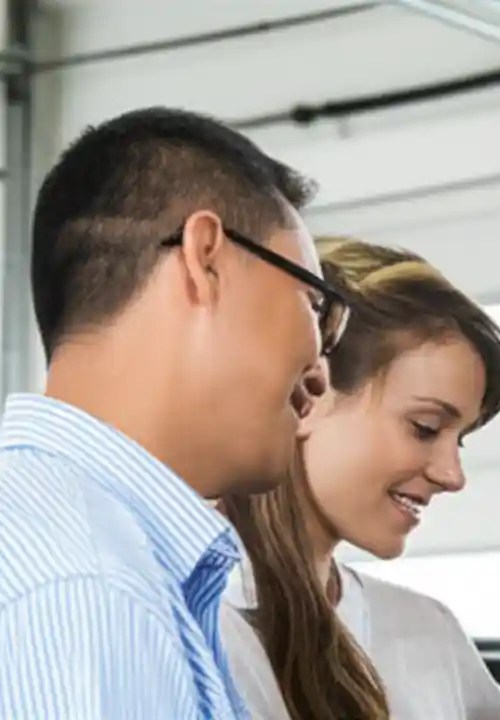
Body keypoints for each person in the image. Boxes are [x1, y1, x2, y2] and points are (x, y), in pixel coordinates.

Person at [0, 107, 341, 718]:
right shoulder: (90, 589)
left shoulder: (66, 540)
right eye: (315, 304)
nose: (319, 369)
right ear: (204, 256)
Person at [218, 236, 500, 720]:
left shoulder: (429, 636)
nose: (452, 475)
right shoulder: (185, 625)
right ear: (310, 390)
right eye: (425, 428)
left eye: (460, 439)